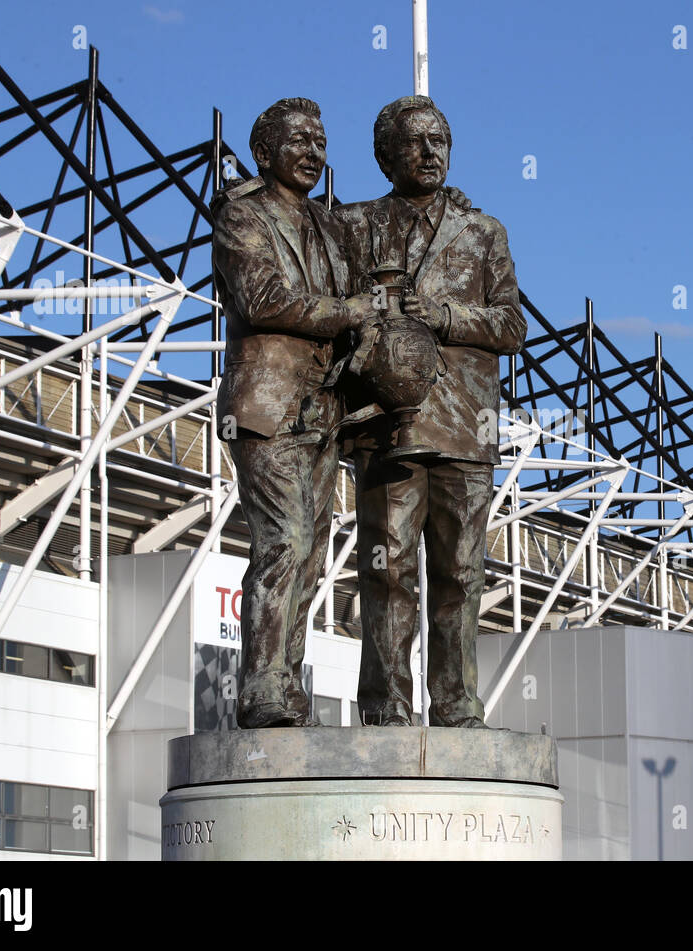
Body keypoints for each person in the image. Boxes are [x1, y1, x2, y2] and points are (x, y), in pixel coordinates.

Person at [335, 96, 525, 728]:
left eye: (440, 139)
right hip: (387, 423)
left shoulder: (483, 231)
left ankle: (456, 705)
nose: (430, 152)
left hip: (467, 426)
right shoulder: (355, 224)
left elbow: (511, 324)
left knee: (462, 574)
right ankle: (385, 707)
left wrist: (444, 317)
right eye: (415, 142)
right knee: (386, 568)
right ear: (385, 154)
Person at [212, 97, 377, 728]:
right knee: (284, 540)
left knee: (310, 559)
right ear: (263, 153)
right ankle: (260, 685)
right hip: (266, 403)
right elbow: (264, 299)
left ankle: (287, 685)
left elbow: (356, 293)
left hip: (322, 410)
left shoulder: (328, 227)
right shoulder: (241, 214)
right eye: (298, 140)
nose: (312, 151)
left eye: (320, 140)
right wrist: (351, 312)